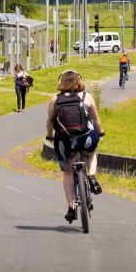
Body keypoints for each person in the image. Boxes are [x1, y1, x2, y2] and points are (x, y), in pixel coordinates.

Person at [45, 70, 104, 223]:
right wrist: (101, 131)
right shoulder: (87, 97)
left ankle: (71, 207)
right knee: (91, 154)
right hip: (85, 138)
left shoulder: (54, 100)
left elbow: (49, 122)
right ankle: (91, 176)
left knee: (68, 172)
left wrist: (50, 135)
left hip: (65, 141)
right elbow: (95, 119)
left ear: (61, 82)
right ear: (79, 81)